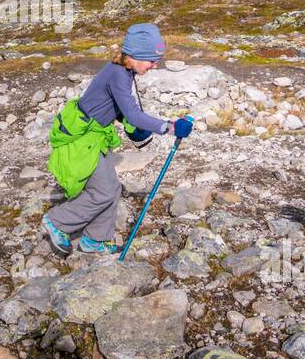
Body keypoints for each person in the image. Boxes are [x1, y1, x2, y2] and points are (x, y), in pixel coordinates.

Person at [42, 23, 193, 256]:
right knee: (103, 191)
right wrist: (169, 127)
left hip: (94, 137)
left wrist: (132, 125)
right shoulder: (118, 74)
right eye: (151, 60)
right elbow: (133, 113)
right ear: (133, 56)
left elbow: (119, 109)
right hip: (80, 141)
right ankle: (57, 222)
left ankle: (95, 240)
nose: (155, 65)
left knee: (111, 188)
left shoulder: (123, 71)